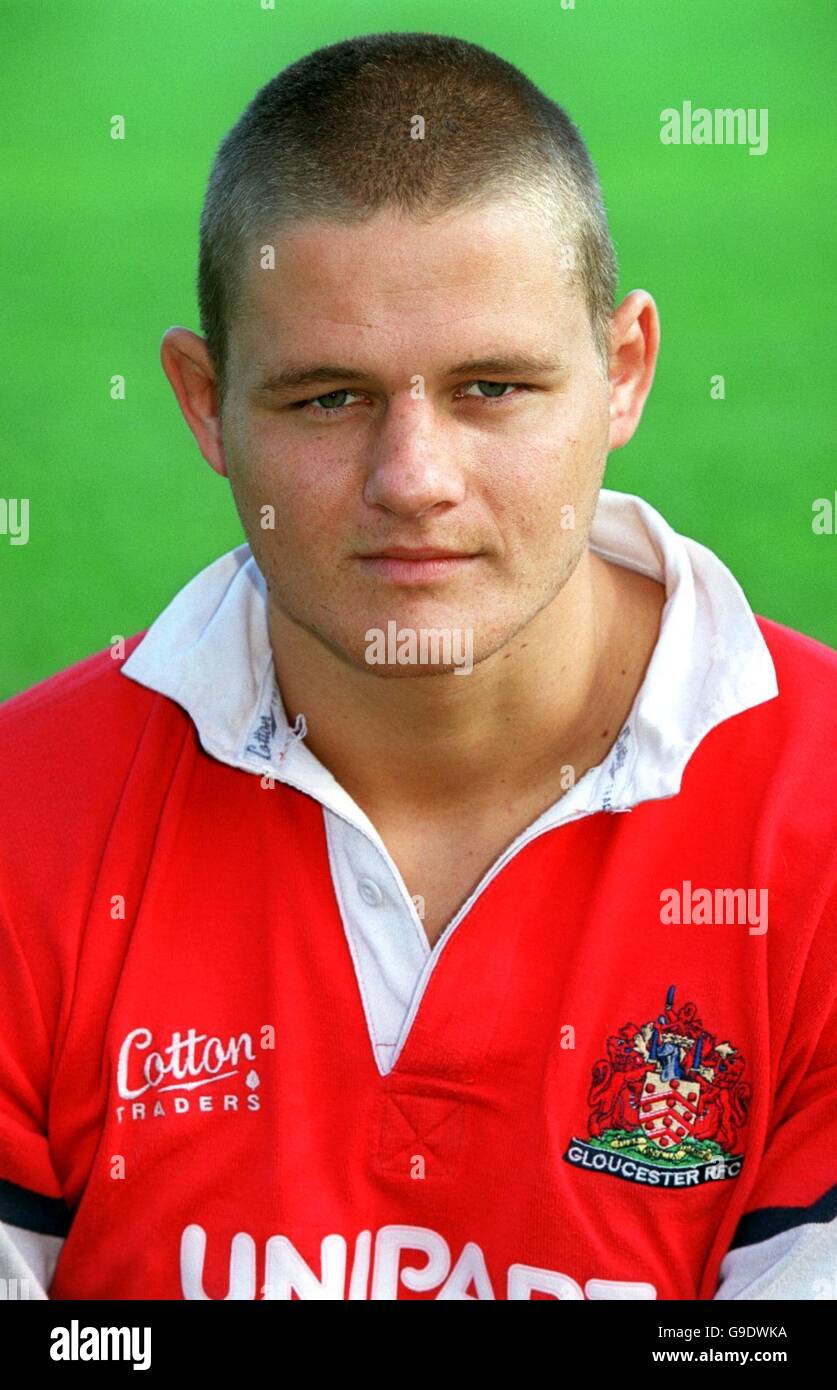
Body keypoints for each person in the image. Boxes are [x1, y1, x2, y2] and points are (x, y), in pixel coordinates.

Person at [1, 31, 834, 1302]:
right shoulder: (23, 820)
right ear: (202, 399)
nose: (413, 481)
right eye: (328, 399)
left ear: (623, 373)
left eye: (492, 387)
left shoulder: (817, 818)